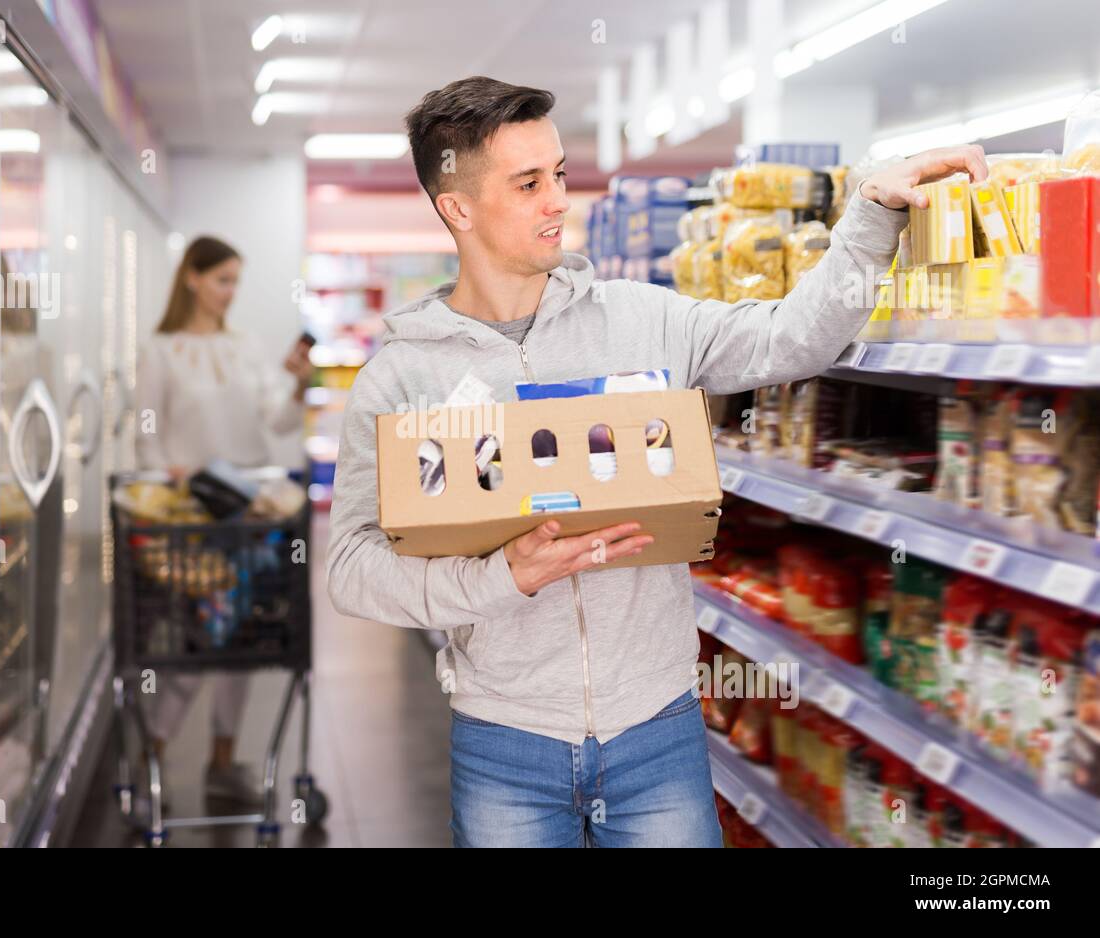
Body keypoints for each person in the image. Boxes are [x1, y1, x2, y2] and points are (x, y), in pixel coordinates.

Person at [326, 76, 988, 847]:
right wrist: (499, 579)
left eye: (561, 174)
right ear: (457, 207)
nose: (557, 201)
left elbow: (792, 338)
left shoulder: (642, 320)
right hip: (504, 739)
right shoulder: (404, 379)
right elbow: (348, 564)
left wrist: (873, 214)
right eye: (529, 183)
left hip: (657, 731)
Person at [135, 235, 312, 804]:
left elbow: (279, 423)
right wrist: (169, 474)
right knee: (197, 644)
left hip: (247, 516)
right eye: (221, 280)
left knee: (239, 640)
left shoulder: (245, 347)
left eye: (236, 281)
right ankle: (154, 757)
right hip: (188, 522)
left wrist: (299, 381)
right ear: (192, 276)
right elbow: (146, 430)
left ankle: (221, 759)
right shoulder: (160, 350)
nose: (230, 292)